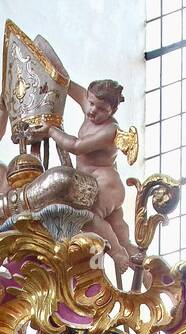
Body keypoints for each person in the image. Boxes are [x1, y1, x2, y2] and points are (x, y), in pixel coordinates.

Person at [48, 78, 135, 273]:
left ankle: (118, 254)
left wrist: (51, 130)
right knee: (122, 237)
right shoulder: (89, 105)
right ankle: (147, 273)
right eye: (91, 102)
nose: (92, 110)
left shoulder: (110, 130)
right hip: (95, 184)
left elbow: (77, 147)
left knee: (88, 217)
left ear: (112, 110)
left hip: (105, 184)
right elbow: (65, 82)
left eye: (101, 108)